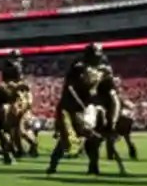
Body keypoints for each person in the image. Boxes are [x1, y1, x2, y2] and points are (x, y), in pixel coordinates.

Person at [46, 43, 110, 175]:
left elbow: (106, 91)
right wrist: (81, 104)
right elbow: (69, 88)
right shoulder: (78, 67)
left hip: (87, 108)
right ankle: (53, 164)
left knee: (93, 138)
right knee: (67, 140)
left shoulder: (103, 70)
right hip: (70, 107)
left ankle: (93, 166)